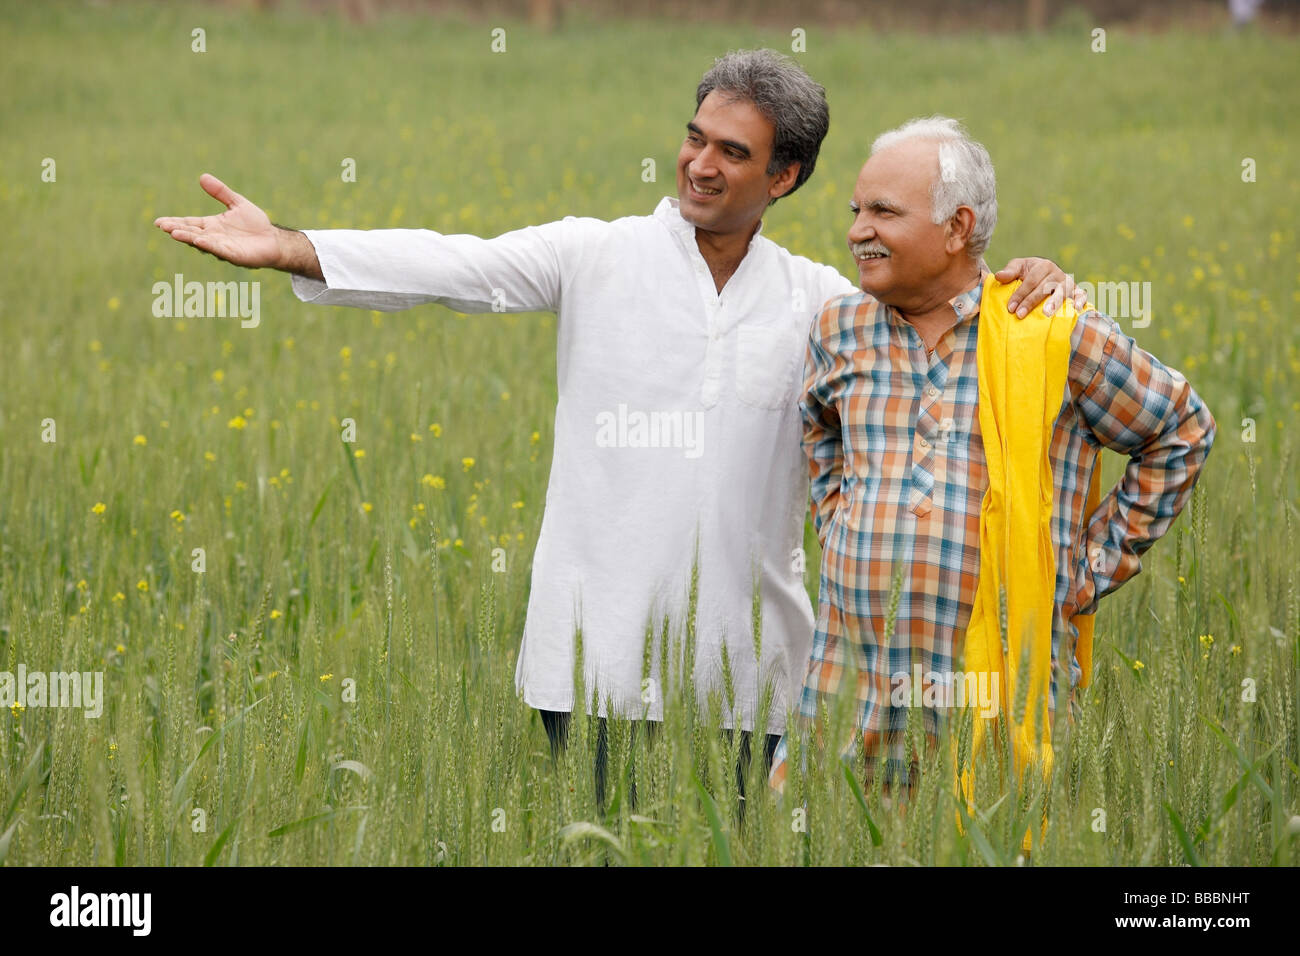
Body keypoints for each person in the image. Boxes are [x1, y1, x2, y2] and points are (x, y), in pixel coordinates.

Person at [155, 51, 1079, 809]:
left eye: (733, 151)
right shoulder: (596, 254)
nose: (700, 165)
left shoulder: (824, 307)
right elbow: (458, 266)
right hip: (589, 671)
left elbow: (940, 320)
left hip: (756, 682)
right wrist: (290, 246)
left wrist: (1027, 283)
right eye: (694, 138)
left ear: (786, 176)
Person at [771, 116, 1216, 804]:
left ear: (958, 227)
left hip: (997, 700)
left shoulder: (1049, 329)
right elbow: (821, 433)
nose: (858, 229)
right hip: (847, 693)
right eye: (856, 210)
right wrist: (839, 527)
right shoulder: (840, 329)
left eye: (884, 211)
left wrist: (1081, 572)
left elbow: (1181, 430)